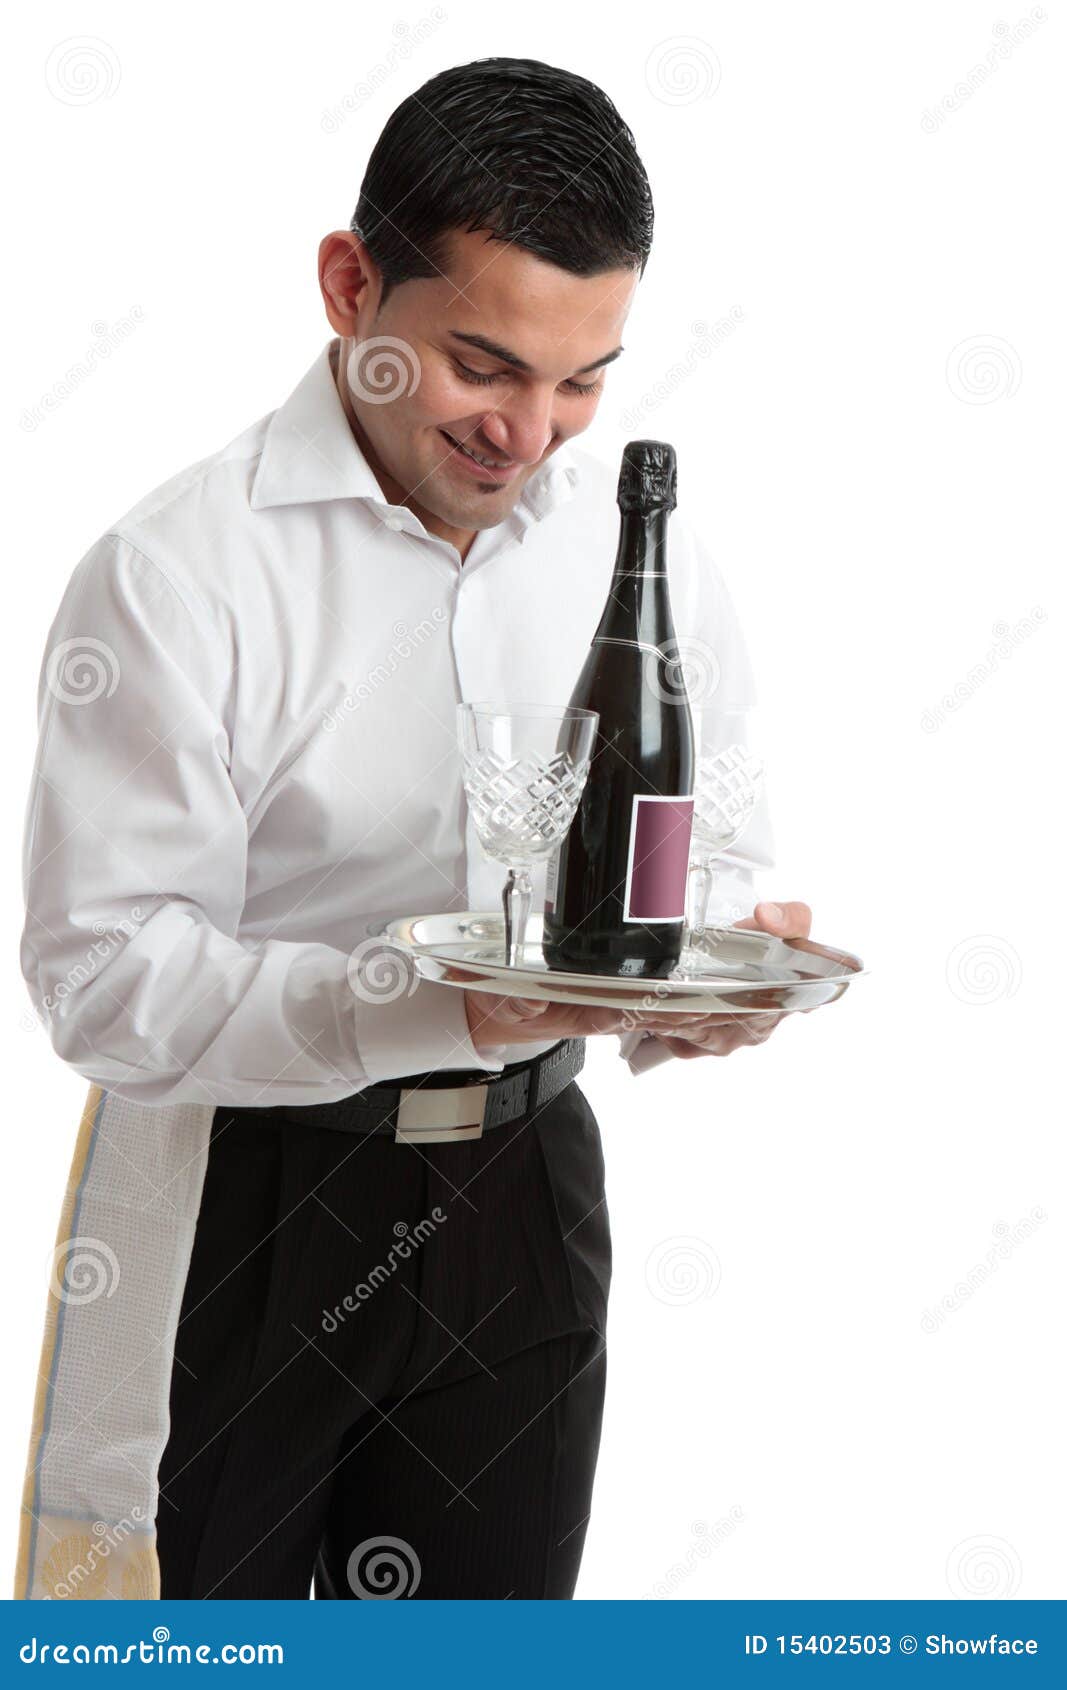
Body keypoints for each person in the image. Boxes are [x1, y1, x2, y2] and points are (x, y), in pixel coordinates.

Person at [15, 56, 812, 1602]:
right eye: (482, 364)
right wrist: (428, 1000)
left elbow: (705, 850)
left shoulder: (635, 551)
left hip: (526, 1201)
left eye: (582, 379)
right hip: (242, 1208)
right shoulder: (178, 575)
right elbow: (101, 980)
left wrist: (700, 987)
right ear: (348, 285)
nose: (534, 433)